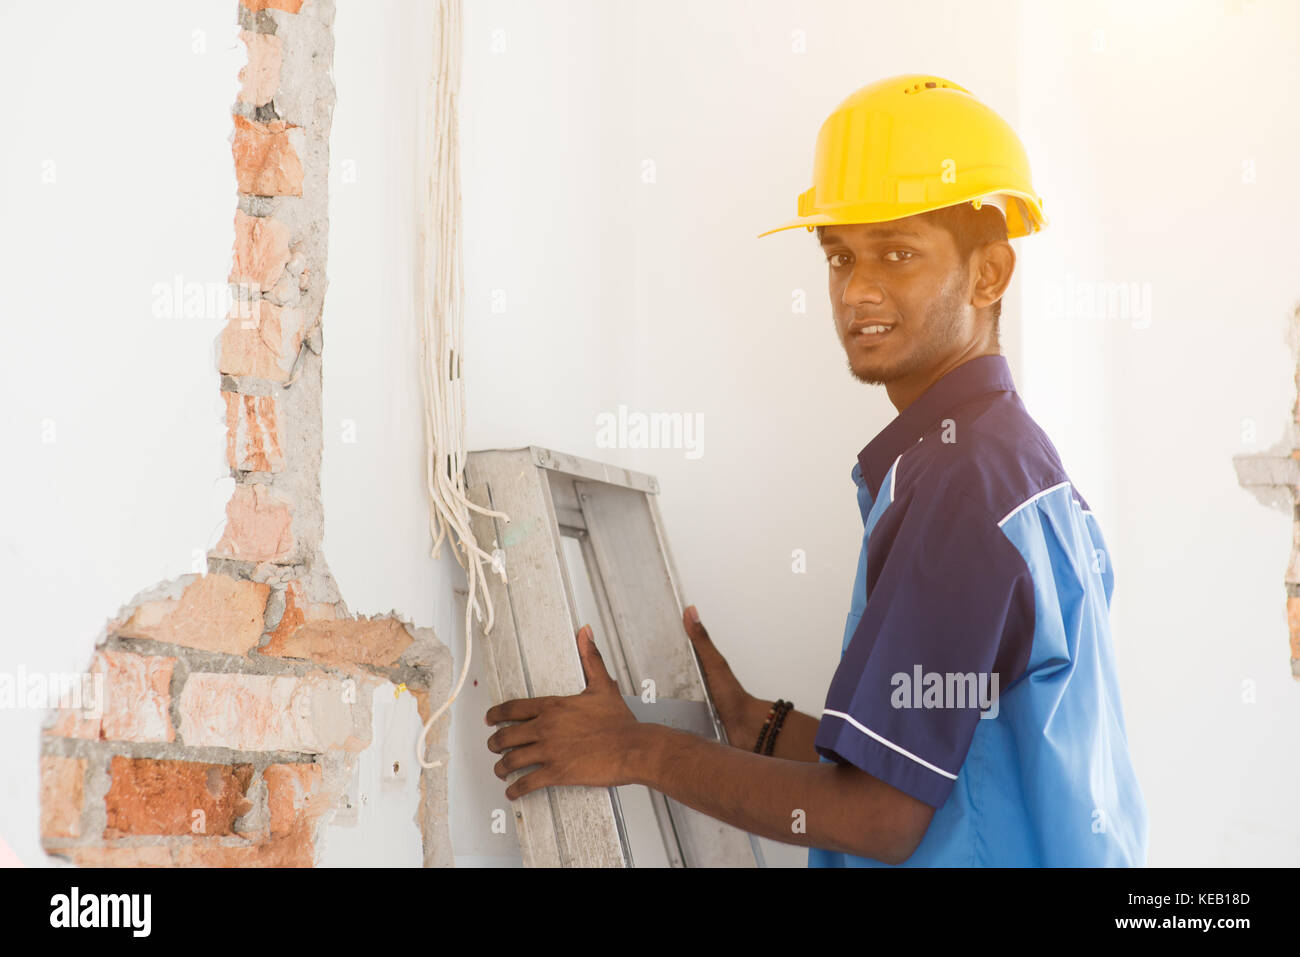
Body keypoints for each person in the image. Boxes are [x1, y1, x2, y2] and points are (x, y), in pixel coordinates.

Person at [484, 74, 1148, 866]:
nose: (857, 289)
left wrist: (639, 751)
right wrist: (758, 724)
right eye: (839, 256)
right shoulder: (1011, 463)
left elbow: (879, 818)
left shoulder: (964, 485)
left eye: (898, 253)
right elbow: (948, 757)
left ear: (989, 274)